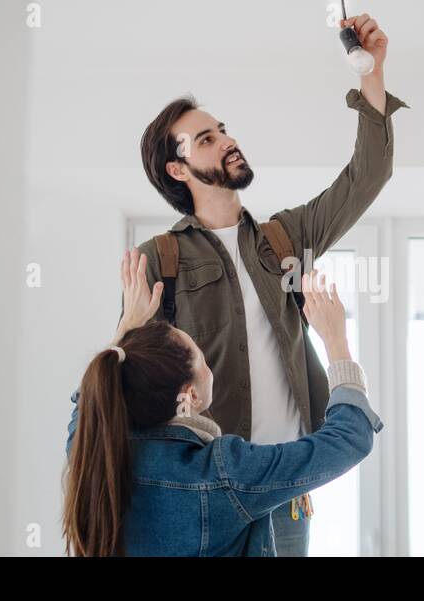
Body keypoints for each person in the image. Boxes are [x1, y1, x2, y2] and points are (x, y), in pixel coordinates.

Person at [69, 12, 406, 555]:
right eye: (206, 138)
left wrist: (373, 74)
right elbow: (124, 388)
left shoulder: (284, 239)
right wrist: (124, 331)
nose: (227, 139)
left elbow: (366, 177)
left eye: (223, 129)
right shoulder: (162, 259)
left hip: (286, 488)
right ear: (178, 170)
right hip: (212, 493)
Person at [63, 251, 382, 556]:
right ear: (190, 396)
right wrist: (336, 341)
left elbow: (91, 402)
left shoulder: (95, 453)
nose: (210, 366)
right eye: (203, 361)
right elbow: (349, 439)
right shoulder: (225, 472)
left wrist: (126, 332)